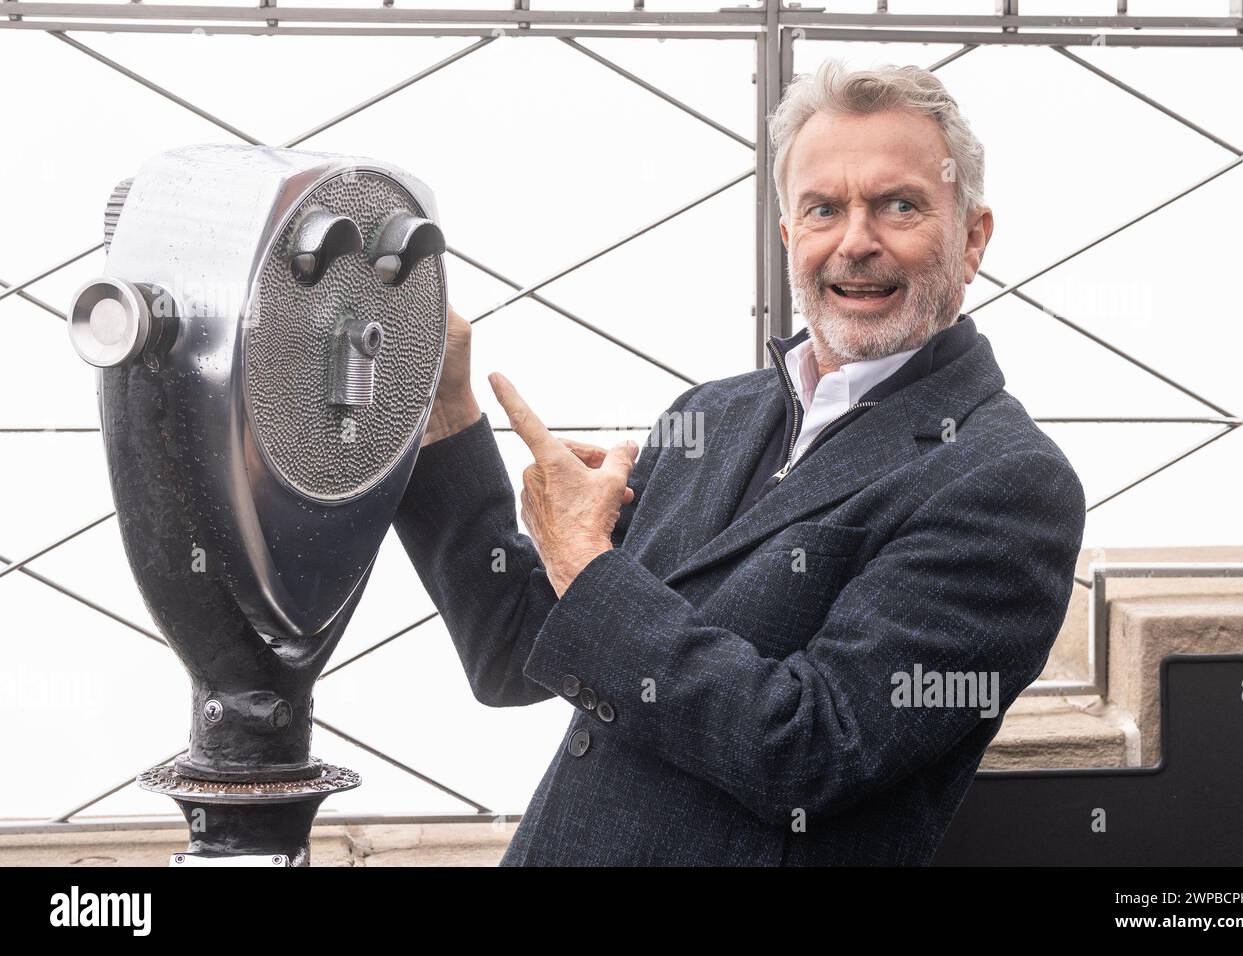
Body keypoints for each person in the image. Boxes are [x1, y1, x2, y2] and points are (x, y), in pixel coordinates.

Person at [393, 58, 1086, 865]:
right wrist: (445, 411)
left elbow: (810, 751)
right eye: (823, 209)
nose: (855, 242)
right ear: (791, 237)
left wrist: (584, 560)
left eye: (900, 206)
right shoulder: (709, 418)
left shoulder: (1005, 482)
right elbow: (513, 654)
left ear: (971, 239)